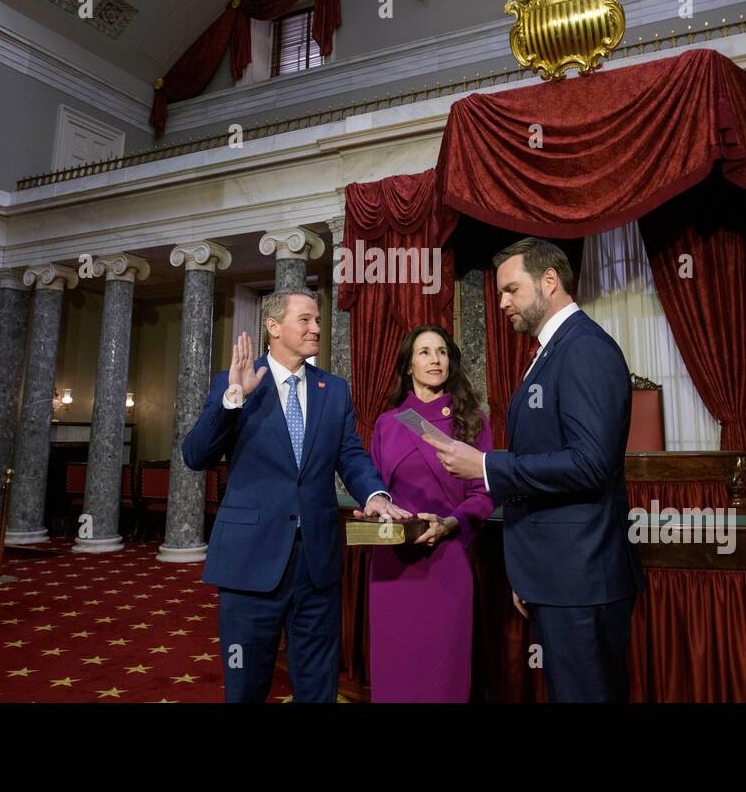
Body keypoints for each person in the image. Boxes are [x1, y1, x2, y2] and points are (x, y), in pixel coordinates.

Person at [424, 238, 645, 702]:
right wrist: (534, 576)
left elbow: (590, 465)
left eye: (510, 290)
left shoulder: (584, 348)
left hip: (581, 580)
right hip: (559, 576)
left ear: (549, 281)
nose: (501, 302)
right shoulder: (552, 350)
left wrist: (485, 465)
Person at [182, 288, 410, 702]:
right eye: (305, 319)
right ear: (273, 327)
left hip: (316, 562)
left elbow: (350, 454)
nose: (316, 328)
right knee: (247, 683)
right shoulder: (233, 381)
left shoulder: (334, 389)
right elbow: (196, 455)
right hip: (250, 562)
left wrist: (374, 494)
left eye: (318, 320)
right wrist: (235, 399)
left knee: (318, 684)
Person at [367, 324, 494, 703]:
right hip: (392, 561)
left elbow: (484, 493)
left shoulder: (471, 420)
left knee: (443, 671)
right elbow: (376, 487)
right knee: (396, 667)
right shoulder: (388, 423)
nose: (435, 359)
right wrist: (372, 510)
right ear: (408, 365)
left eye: (441, 351)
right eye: (424, 352)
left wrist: (453, 523)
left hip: (447, 557)